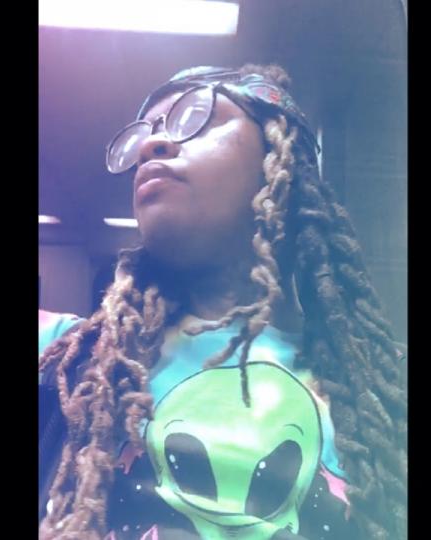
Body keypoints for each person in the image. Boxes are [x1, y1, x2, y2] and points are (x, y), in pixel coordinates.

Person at [39, 64, 407, 540]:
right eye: (145, 134)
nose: (152, 144)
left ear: (283, 159)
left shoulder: (383, 389)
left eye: (195, 117)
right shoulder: (74, 361)